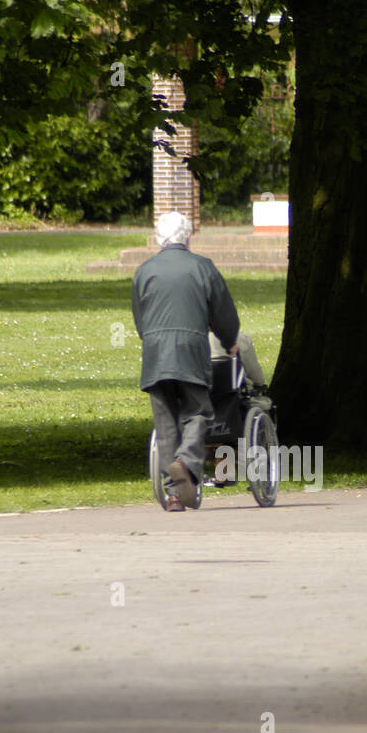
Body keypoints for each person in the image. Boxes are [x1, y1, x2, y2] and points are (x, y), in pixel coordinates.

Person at [131, 210, 240, 511]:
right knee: (198, 412)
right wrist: (229, 341)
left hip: (155, 356)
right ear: (188, 236)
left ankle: (175, 495)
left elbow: (141, 320)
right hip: (191, 352)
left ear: (158, 238)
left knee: (165, 424)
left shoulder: (144, 271)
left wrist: (153, 340)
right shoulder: (203, 267)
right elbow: (223, 313)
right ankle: (186, 461)